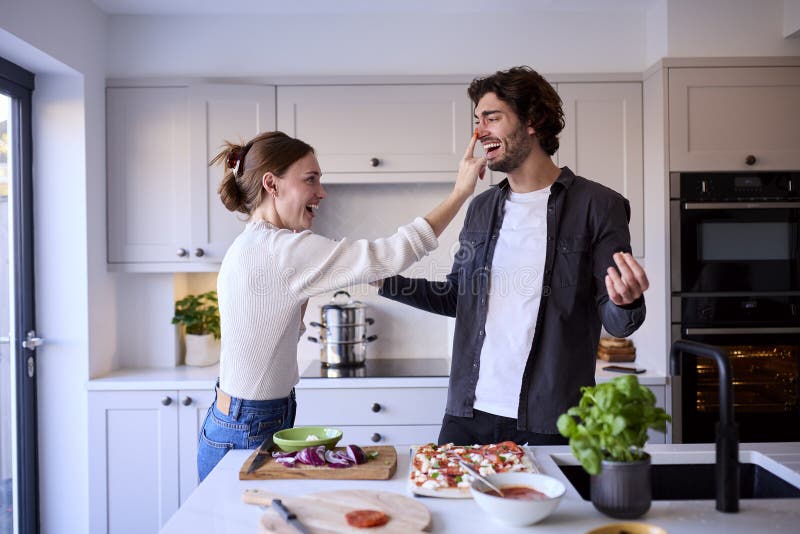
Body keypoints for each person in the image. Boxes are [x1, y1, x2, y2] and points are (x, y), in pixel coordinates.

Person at [377, 66, 649, 446]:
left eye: (492, 118)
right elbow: (459, 297)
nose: (479, 131)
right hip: (468, 413)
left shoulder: (598, 206)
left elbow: (617, 319)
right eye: (477, 120)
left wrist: (627, 300)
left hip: (553, 419)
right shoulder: (481, 208)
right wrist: (378, 278)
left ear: (533, 120)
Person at [196, 131, 485, 480]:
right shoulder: (282, 250)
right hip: (249, 426)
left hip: (239, 420)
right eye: (310, 179)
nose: (321, 192)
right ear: (272, 184)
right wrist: (460, 193)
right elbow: (390, 254)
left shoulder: (255, 244)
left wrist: (350, 270)